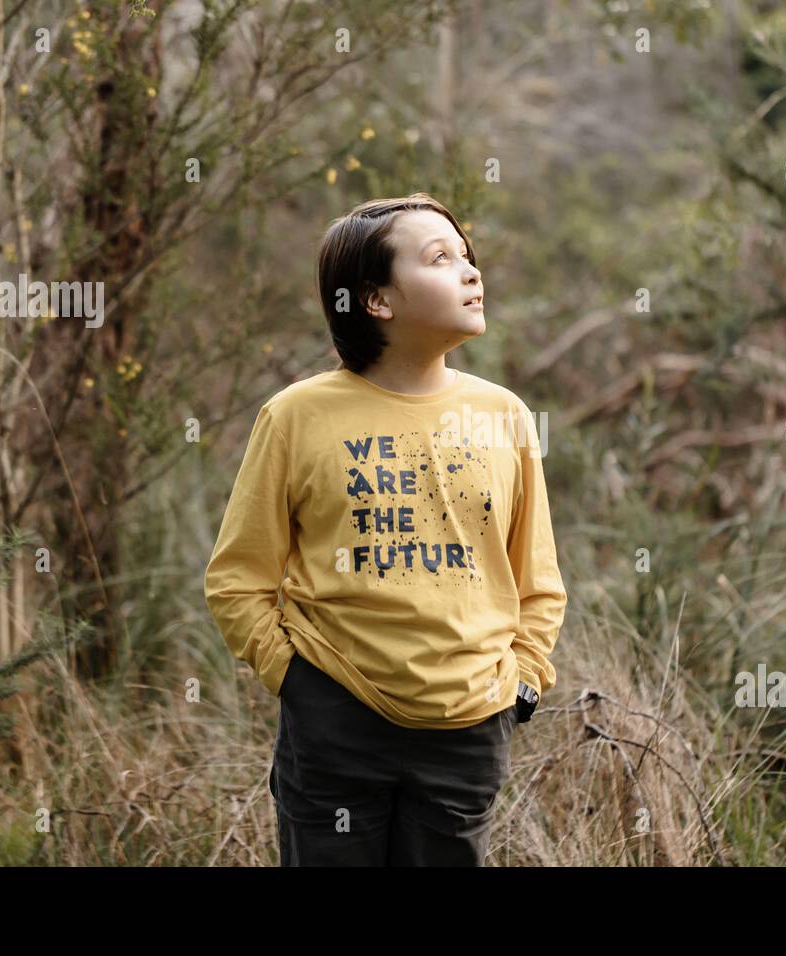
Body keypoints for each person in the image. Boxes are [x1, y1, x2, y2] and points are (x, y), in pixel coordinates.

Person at [203, 193, 568, 865]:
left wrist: (520, 684)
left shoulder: (504, 416)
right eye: (440, 258)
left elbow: (536, 580)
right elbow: (237, 579)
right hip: (334, 721)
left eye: (468, 256)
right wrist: (295, 679)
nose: (470, 272)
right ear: (376, 300)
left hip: (468, 727)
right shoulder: (296, 417)